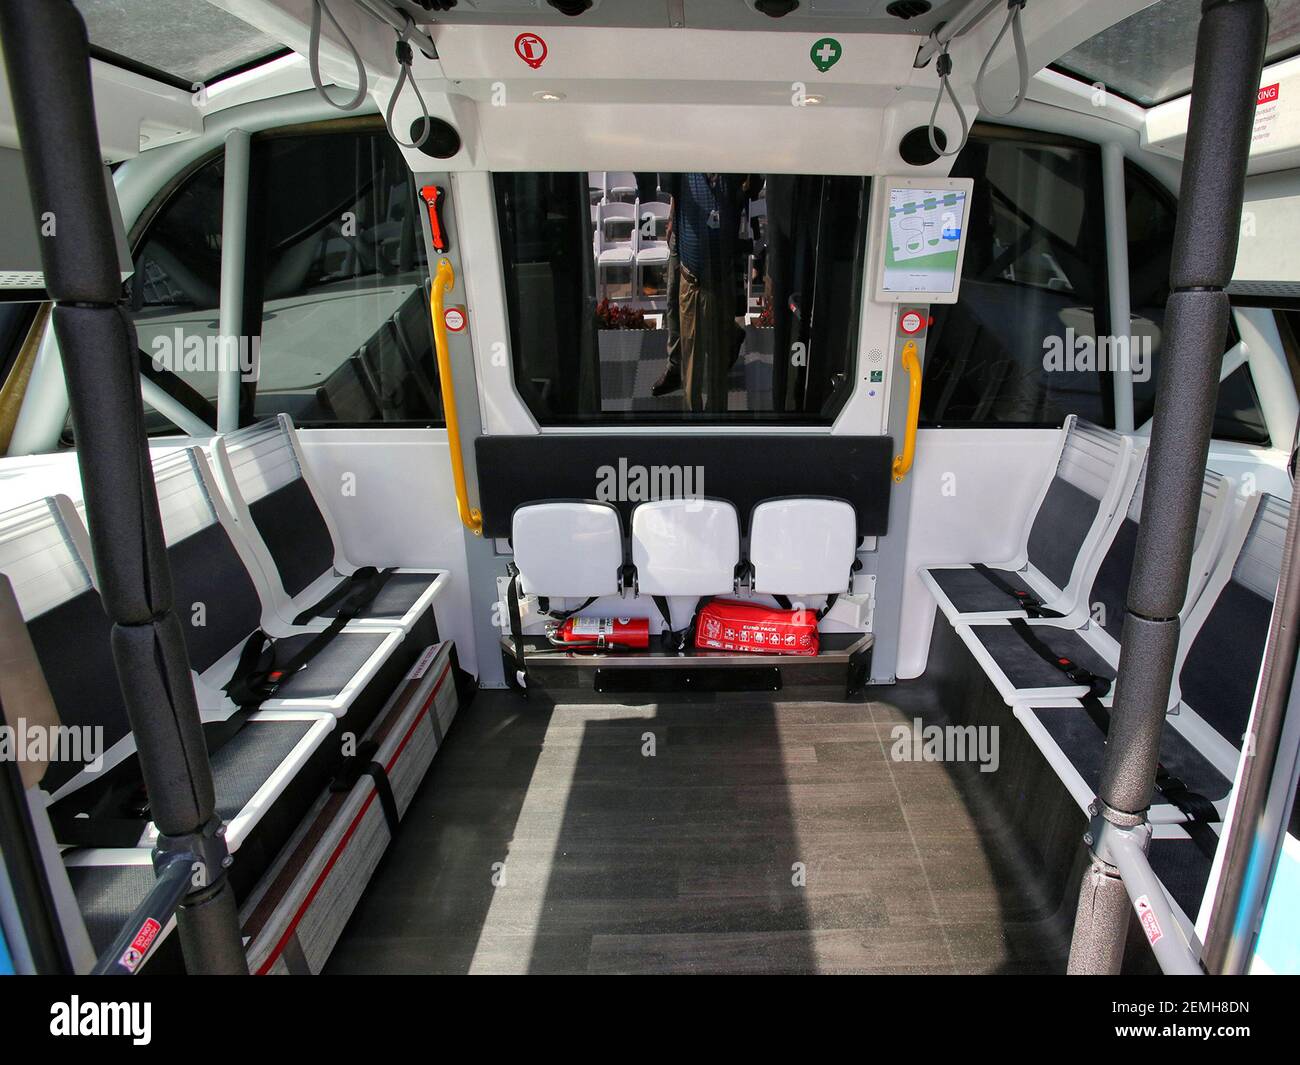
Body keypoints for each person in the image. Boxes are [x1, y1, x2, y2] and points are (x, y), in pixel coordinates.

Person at [652, 173, 753, 412]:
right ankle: (692, 421)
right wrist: (673, 220)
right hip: (692, 279)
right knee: (692, 362)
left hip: (720, 280)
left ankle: (717, 421)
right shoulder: (686, 174)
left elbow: (749, 184)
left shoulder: (731, 175)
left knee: (717, 366)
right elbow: (670, 182)